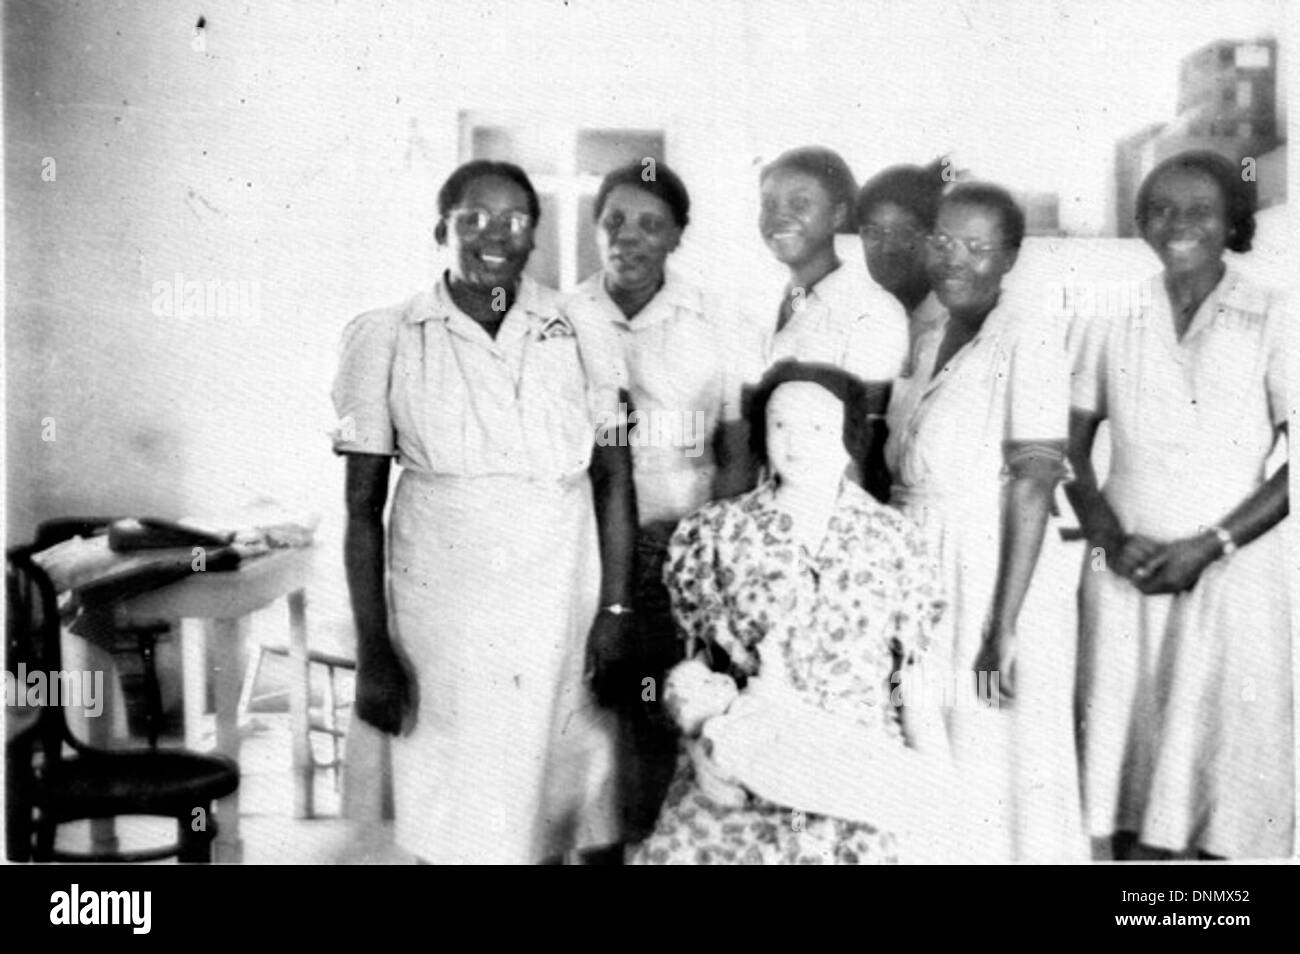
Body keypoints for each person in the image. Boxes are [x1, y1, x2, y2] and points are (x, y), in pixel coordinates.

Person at [331, 159, 637, 864]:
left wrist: (616, 613)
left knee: (568, 792)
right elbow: (360, 509)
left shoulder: (584, 326)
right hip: (444, 603)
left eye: (515, 220)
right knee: (452, 798)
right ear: (442, 228)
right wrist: (373, 650)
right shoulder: (387, 335)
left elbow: (614, 476)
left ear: (535, 237)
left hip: (561, 591)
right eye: (475, 217)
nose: (494, 234)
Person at [630, 361, 953, 865]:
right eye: (781, 424)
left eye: (818, 426)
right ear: (761, 433)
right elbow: (691, 670)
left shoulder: (894, 538)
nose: (797, 441)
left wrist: (936, 778)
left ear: (849, 435)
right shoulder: (714, 533)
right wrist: (700, 751)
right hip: (744, 757)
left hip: (856, 767)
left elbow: (912, 678)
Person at [1067, 150, 1292, 860]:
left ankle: (1210, 914)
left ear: (1232, 223)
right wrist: (1107, 532)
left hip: (1233, 571)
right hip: (1124, 571)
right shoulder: (1113, 309)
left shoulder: (1276, 312)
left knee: (1220, 779)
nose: (1178, 225)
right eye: (1160, 209)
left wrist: (1212, 543)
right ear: (1139, 222)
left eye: (1199, 211)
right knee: (1125, 774)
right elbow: (1065, 444)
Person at [885, 181, 1087, 862]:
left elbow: (1033, 487)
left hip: (994, 567)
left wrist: (1002, 626)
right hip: (921, 560)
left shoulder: (1027, 337)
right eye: (943, 241)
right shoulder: (928, 330)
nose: (954, 259)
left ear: (1009, 257)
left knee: (992, 749)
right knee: (930, 740)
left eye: (977, 247)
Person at [564, 160, 747, 845]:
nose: (629, 238)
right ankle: (596, 848)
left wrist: (710, 556)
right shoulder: (566, 315)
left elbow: (735, 451)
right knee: (589, 709)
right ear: (595, 228)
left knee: (667, 702)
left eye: (650, 225)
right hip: (583, 535)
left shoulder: (714, 319)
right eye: (614, 221)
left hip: (684, 534)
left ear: (677, 237)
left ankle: (658, 845)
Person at [741, 146, 909, 500]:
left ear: (837, 215)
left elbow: (862, 450)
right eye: (769, 204)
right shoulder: (763, 302)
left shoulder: (872, 312)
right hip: (764, 515)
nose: (778, 218)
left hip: (828, 524)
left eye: (799, 204)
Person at [855, 159, 949, 373]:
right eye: (873, 233)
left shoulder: (952, 330)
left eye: (906, 232)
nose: (888, 248)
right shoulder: (866, 320)